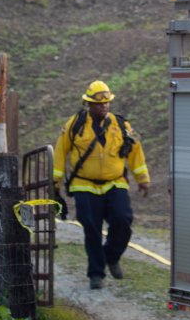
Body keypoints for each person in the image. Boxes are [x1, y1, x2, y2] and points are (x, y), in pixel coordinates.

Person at [53, 79, 150, 290]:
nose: (104, 106)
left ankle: (111, 257)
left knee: (123, 220)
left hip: (115, 183)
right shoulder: (75, 125)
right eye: (99, 103)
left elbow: (135, 151)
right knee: (91, 228)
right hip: (84, 185)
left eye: (107, 103)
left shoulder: (121, 125)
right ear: (88, 104)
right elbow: (61, 152)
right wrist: (55, 183)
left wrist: (142, 180)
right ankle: (96, 274)